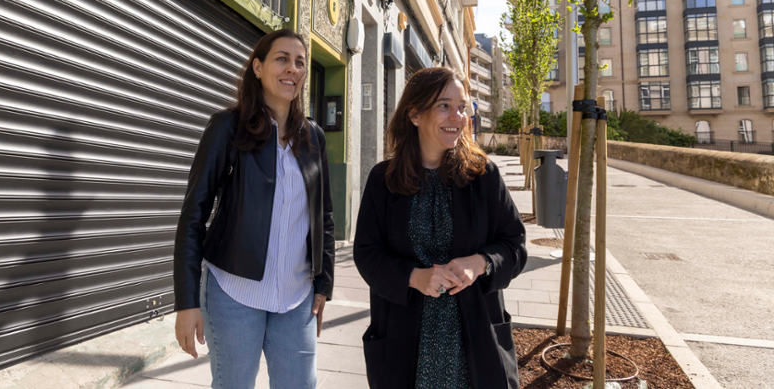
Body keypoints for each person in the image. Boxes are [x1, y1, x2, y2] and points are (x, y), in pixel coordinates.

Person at [173, 29, 334, 389]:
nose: (292, 68)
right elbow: (193, 215)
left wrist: (324, 284)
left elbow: (323, 216)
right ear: (258, 68)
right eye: (282, 59)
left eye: (300, 62)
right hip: (233, 293)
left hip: (297, 297)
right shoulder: (226, 128)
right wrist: (186, 302)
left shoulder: (313, 138)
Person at [354, 67, 527, 389]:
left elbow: (515, 245)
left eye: (462, 107)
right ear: (415, 114)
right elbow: (366, 254)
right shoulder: (383, 179)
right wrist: (415, 277)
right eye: (444, 106)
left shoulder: (483, 174)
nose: (457, 116)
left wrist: (481, 263)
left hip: (475, 340)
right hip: (406, 344)